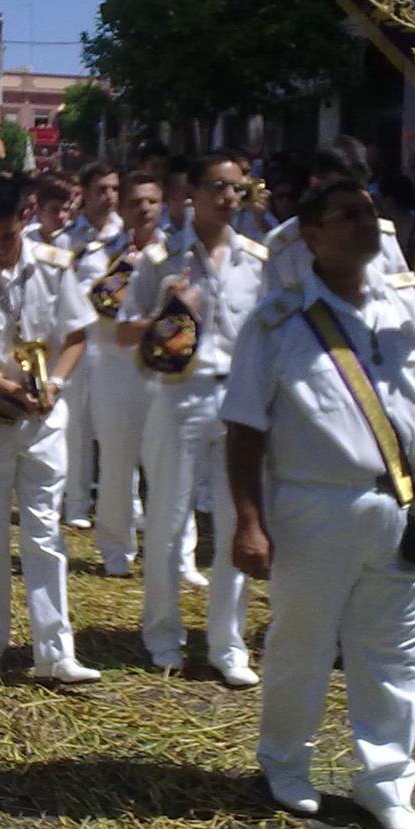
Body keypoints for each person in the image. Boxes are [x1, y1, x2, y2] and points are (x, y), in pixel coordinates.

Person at [224, 178, 415, 829]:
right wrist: (248, 519)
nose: (367, 224)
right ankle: (285, 763)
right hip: (314, 503)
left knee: (398, 652)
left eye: (372, 213)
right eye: (347, 215)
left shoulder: (413, 305)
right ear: (312, 235)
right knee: (302, 642)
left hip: (406, 502)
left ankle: (386, 781)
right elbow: (243, 429)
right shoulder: (276, 321)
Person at [0, 173, 100, 687]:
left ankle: (55, 651)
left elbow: (76, 334)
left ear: (25, 219)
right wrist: (13, 391)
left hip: (46, 421)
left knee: (44, 533)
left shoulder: (53, 269)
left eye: (6, 235)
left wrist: (53, 382)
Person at [117, 153, 268, 684]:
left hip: (239, 397)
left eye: (237, 189)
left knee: (236, 519)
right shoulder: (162, 258)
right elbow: (121, 328)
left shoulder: (256, 259)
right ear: (192, 196)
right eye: (218, 187)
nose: (229, 198)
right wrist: (166, 311)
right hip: (179, 391)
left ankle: (228, 643)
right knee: (169, 516)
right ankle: (162, 631)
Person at [87, 171, 177, 576]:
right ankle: (116, 549)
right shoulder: (101, 253)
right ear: (123, 209)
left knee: (171, 465)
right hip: (115, 366)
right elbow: (96, 307)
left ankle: (176, 552)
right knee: (118, 463)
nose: (145, 209)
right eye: (136, 202)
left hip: (165, 370)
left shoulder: (180, 253)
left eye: (152, 201)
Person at [59, 162, 123, 529]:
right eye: (101, 188)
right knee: (79, 426)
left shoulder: (128, 237)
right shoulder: (70, 240)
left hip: (120, 344)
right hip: (82, 343)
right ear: (84, 191)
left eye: (114, 188)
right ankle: (78, 501)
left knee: (118, 428)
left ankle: (123, 504)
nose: (109, 196)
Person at [264, 139, 408, 293]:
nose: (352, 197)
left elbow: (402, 298)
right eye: (341, 189)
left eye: (358, 188)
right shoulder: (283, 246)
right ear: (316, 183)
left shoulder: (383, 236)